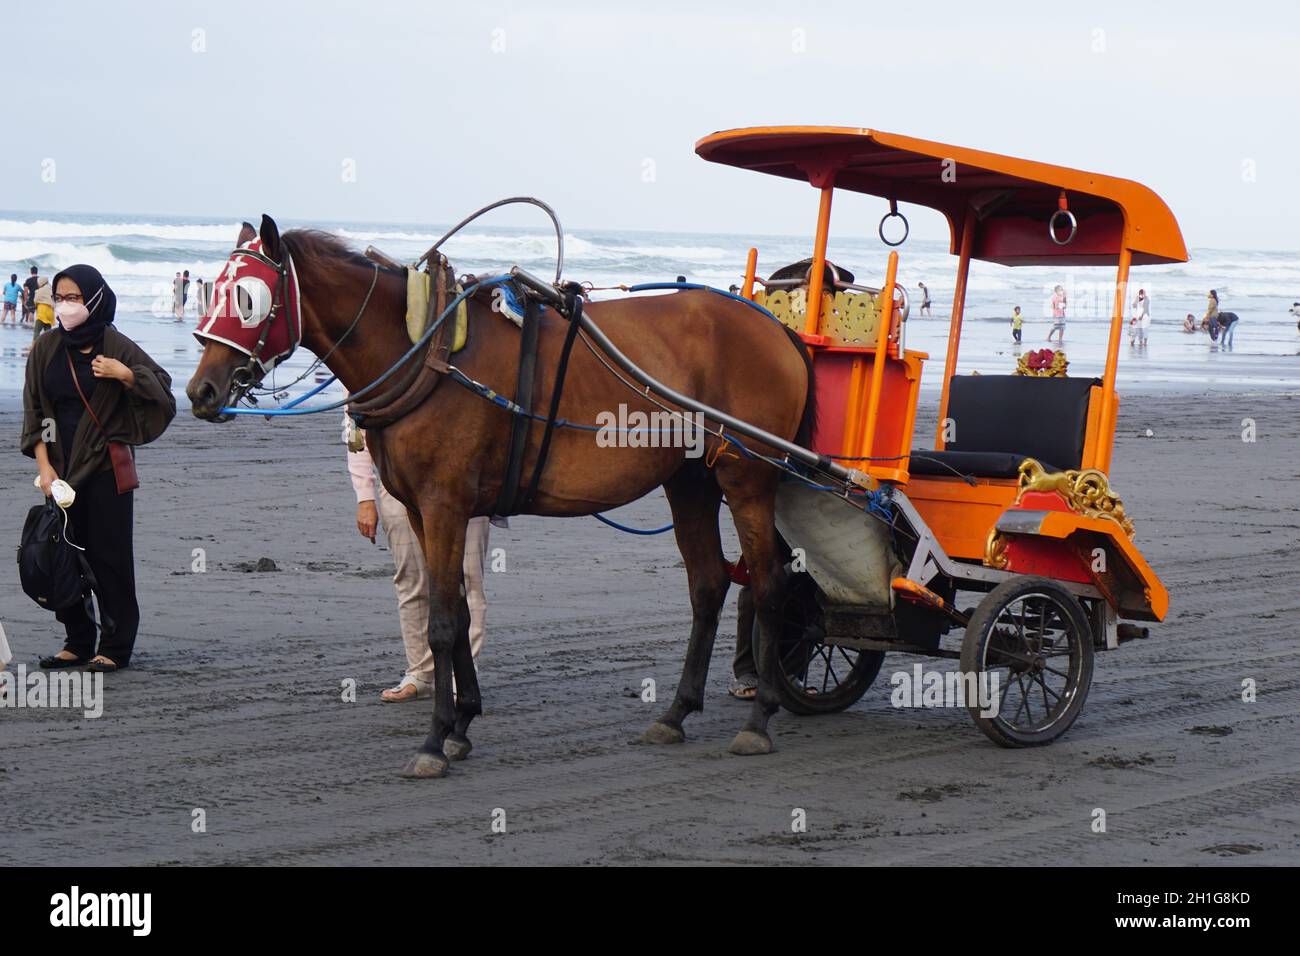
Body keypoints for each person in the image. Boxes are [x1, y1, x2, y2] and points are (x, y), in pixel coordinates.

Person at [22, 264, 176, 672]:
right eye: (59, 297)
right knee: (62, 558)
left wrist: (125, 375)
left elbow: (162, 388)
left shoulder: (117, 345)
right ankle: (77, 640)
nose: (64, 305)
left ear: (93, 299)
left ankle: (116, 645)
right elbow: (35, 413)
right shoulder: (46, 349)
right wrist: (45, 468)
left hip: (106, 469)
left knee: (109, 559)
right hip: (60, 472)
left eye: (73, 297)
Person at [345, 414, 493, 701]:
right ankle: (421, 673)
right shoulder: (369, 373)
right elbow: (354, 431)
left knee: (467, 580)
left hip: (464, 486)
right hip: (399, 487)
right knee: (411, 579)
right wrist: (365, 497)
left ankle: (460, 676)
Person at [32, 276, 54, 341]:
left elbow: (35, 300)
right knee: (48, 331)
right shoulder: (52, 289)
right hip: (50, 312)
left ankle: (34, 346)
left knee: (37, 331)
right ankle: (48, 346)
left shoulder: (40, 291)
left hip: (42, 312)